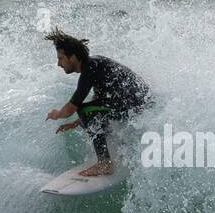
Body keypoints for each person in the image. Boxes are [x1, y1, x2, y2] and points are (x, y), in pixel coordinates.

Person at [44, 28, 152, 176]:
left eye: (61, 58)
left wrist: (57, 114)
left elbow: (72, 107)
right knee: (90, 111)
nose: (59, 64)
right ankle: (120, 148)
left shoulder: (89, 68)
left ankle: (104, 163)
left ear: (73, 57)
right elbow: (98, 103)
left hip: (135, 102)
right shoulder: (95, 65)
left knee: (83, 109)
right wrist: (76, 123)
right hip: (138, 101)